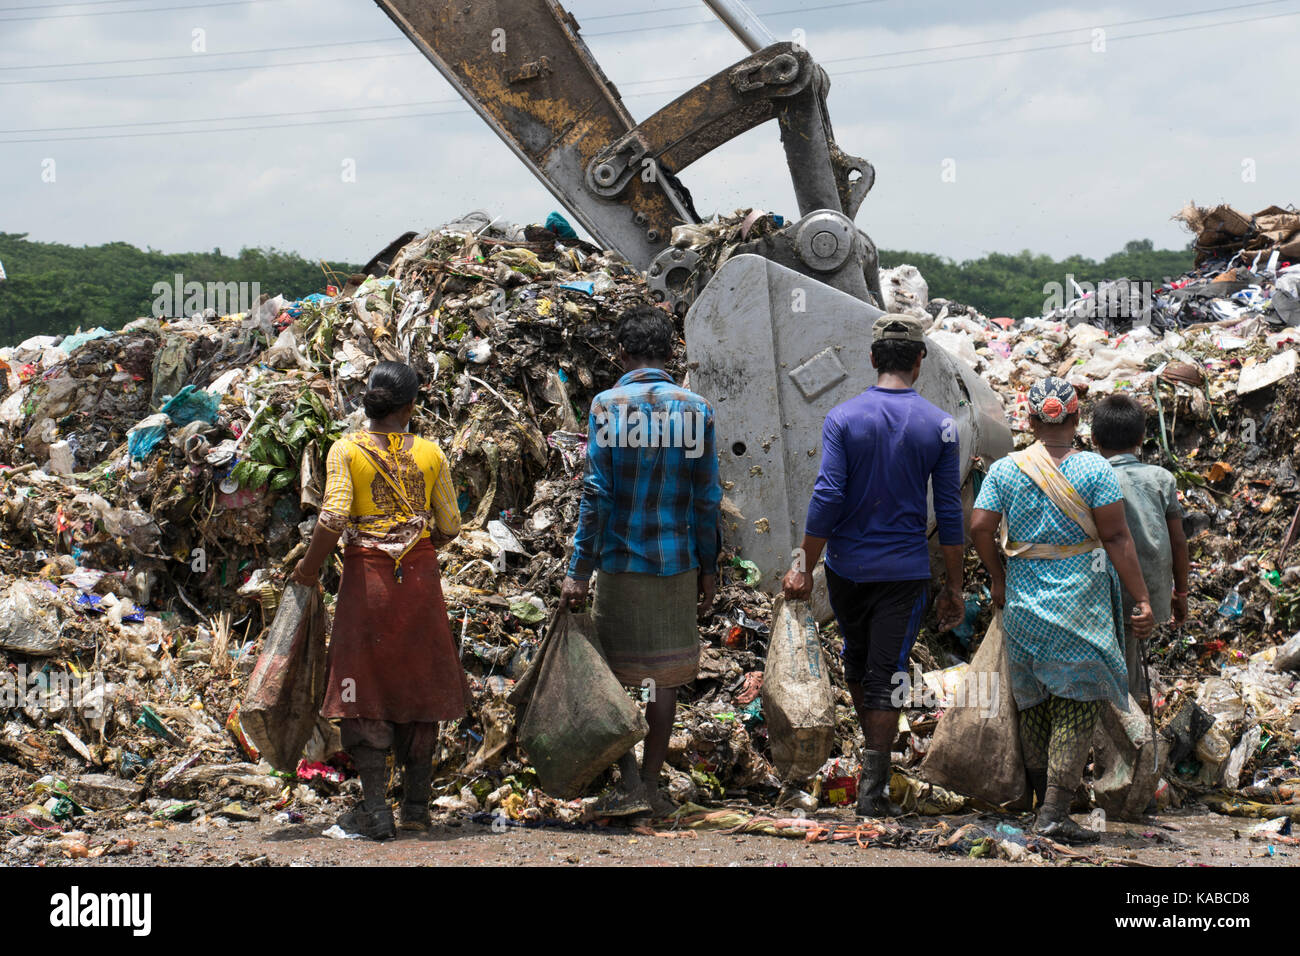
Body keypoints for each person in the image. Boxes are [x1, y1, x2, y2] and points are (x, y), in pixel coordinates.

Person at [783, 315, 966, 818]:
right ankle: (874, 787)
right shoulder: (941, 426)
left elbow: (827, 495)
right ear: (919, 362)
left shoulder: (843, 418)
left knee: (859, 663)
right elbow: (949, 510)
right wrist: (954, 583)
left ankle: (872, 775)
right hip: (904, 573)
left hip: (846, 570)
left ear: (871, 359)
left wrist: (804, 563)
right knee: (886, 674)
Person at [969, 376, 1155, 845]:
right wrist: (1144, 598)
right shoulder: (1093, 470)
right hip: (1081, 607)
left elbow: (979, 527)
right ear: (1077, 420)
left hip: (1025, 605)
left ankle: (1040, 800)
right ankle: (1053, 811)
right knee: (1078, 701)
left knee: (1034, 699)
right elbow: (1116, 538)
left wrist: (998, 575)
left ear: (1030, 421)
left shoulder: (1007, 470)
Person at [290, 361, 466, 840]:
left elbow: (332, 519)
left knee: (363, 688)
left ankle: (375, 810)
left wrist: (307, 570)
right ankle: (416, 809)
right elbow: (449, 525)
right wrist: (413, 546)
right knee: (419, 685)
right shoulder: (431, 452)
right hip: (422, 580)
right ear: (410, 407)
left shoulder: (346, 449)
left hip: (366, 581)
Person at [560, 304, 722, 818]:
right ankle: (649, 787)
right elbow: (707, 496)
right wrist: (710, 566)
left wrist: (578, 571)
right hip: (675, 564)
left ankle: (628, 780)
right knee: (661, 679)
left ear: (624, 354)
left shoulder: (607, 406)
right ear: (670, 352)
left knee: (611, 680)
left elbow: (597, 493)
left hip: (619, 562)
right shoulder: (696, 410)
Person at [1091, 393, 1189, 704]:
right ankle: (1130, 716)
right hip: (1150, 586)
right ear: (1142, 438)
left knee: (1118, 660)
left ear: (1093, 439)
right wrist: (1181, 592)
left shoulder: (1091, 477)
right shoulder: (1162, 478)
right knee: (1130, 658)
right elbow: (1178, 540)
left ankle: (1123, 719)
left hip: (1102, 588)